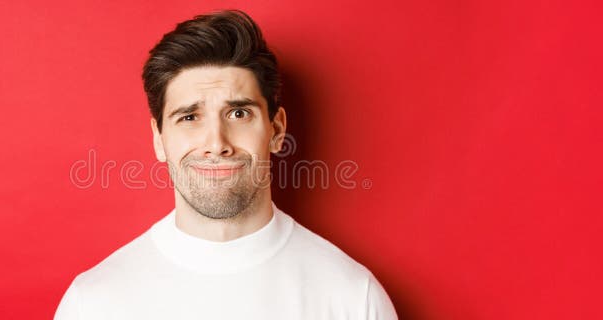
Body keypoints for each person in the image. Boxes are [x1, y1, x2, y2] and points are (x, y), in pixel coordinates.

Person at [54, 9, 398, 320]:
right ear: (159, 139)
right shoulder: (93, 304)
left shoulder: (354, 299)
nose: (217, 143)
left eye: (238, 113)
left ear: (276, 130)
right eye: (189, 117)